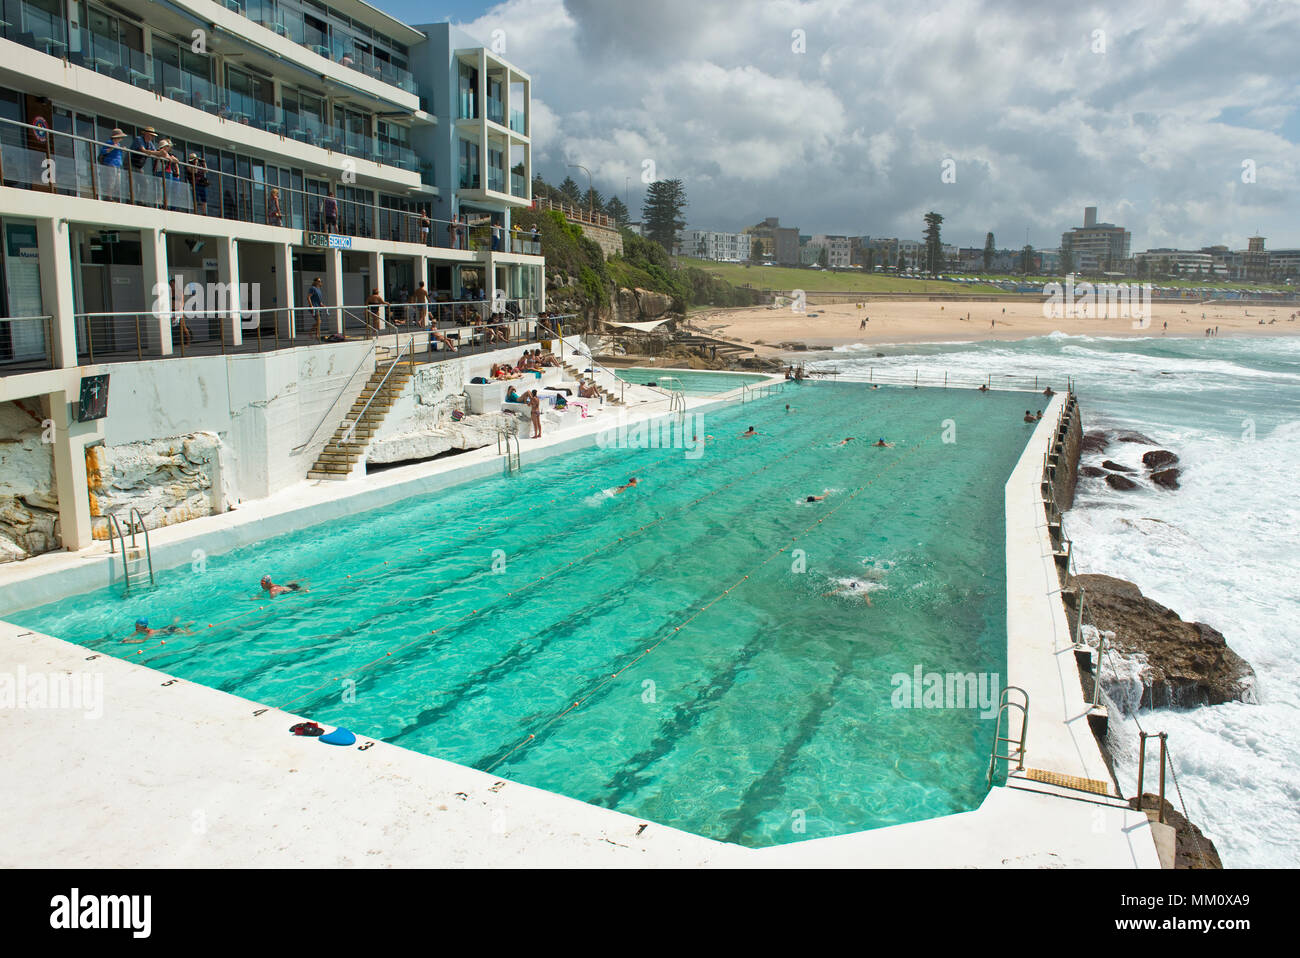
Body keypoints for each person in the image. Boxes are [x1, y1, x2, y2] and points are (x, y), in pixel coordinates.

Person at [97, 128, 128, 200]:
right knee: (111, 180)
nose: (121, 139)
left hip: (118, 164)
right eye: (120, 137)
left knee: (117, 182)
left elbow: (117, 153)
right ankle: (109, 196)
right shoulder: (109, 142)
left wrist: (121, 149)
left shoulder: (118, 144)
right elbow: (103, 151)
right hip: (111, 163)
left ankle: (112, 196)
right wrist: (111, 148)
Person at [122, 617, 194, 643]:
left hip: (169, 631)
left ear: (141, 626)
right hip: (163, 629)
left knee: (189, 635)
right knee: (172, 625)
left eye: (136, 624)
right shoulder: (139, 630)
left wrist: (128, 642)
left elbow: (142, 641)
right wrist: (127, 638)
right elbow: (131, 635)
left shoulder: (150, 632)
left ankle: (186, 626)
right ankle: (175, 622)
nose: (135, 625)